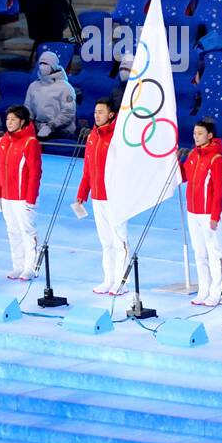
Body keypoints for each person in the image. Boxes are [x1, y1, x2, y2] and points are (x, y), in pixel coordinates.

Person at [75, 96, 128, 295]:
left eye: (101, 112)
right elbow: (88, 169)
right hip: (98, 196)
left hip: (115, 198)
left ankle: (122, 281)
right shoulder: (92, 136)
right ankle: (109, 279)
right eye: (95, 112)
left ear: (111, 114)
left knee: (119, 240)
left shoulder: (118, 137)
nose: (96, 116)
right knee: (106, 241)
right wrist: (82, 194)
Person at [0, 104, 43, 280]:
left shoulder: (30, 143)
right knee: (12, 231)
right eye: (8, 119)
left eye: (14, 119)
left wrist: (30, 199)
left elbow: (35, 173)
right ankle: (18, 265)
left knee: (27, 231)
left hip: (23, 198)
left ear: (22, 121)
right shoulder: (2, 142)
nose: (9, 122)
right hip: (7, 196)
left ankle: (31, 267)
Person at [180, 117, 222, 306]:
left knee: (214, 253)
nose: (196, 136)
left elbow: (219, 191)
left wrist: (215, 216)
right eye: (194, 133)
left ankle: (218, 292)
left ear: (210, 135)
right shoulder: (193, 155)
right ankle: (204, 289)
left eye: (200, 133)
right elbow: (183, 177)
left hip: (210, 214)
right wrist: (175, 161)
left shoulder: (216, 160)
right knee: (199, 253)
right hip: (193, 213)